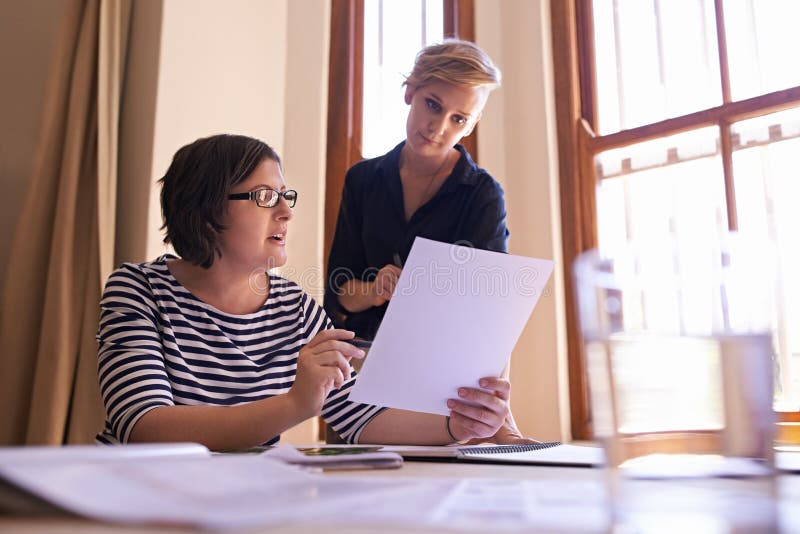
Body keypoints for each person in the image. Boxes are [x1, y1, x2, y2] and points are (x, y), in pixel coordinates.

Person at [95, 134, 513, 451]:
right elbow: (144, 427)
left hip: (245, 508)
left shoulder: (296, 309)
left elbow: (359, 417)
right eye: (264, 197)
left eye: (285, 196)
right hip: (135, 504)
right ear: (205, 211)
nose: (286, 212)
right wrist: (295, 404)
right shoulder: (137, 290)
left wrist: (456, 426)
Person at [324, 40, 533, 444]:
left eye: (458, 119)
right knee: (358, 485)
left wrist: (500, 418)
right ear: (411, 91)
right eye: (433, 105)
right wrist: (375, 291)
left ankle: (497, 427)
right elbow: (340, 296)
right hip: (362, 361)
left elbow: (491, 313)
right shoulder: (361, 181)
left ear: (471, 126)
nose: (439, 128)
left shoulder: (483, 194)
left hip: (445, 368)